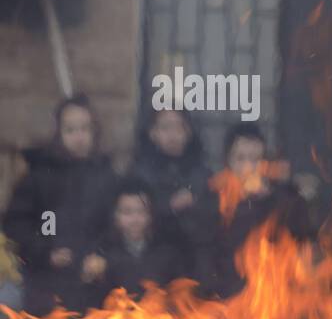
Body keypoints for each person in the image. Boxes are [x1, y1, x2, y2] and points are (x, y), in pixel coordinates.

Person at [3, 95, 118, 316]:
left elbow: (113, 224)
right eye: (71, 130)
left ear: (95, 132)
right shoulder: (40, 175)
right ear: (59, 133)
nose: (79, 137)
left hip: (90, 281)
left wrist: (100, 255)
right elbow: (16, 223)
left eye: (85, 129)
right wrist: (46, 252)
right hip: (44, 279)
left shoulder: (106, 176)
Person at [194, 123, 313, 299]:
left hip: (275, 301)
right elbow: (205, 259)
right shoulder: (212, 203)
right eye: (240, 159)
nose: (248, 167)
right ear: (228, 162)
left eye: (255, 159)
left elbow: (303, 247)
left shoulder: (286, 202)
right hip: (227, 302)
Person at [81, 178, 187, 306]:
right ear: (115, 216)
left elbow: (181, 296)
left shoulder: (167, 252)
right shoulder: (101, 252)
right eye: (127, 212)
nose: (135, 219)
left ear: (151, 215)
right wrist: (89, 278)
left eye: (141, 211)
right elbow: (90, 305)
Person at [131, 105, 211, 267]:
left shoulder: (202, 172)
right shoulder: (141, 172)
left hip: (194, 253)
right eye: (165, 128)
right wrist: (170, 206)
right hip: (155, 252)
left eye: (178, 127)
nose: (172, 135)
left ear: (188, 132)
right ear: (153, 133)